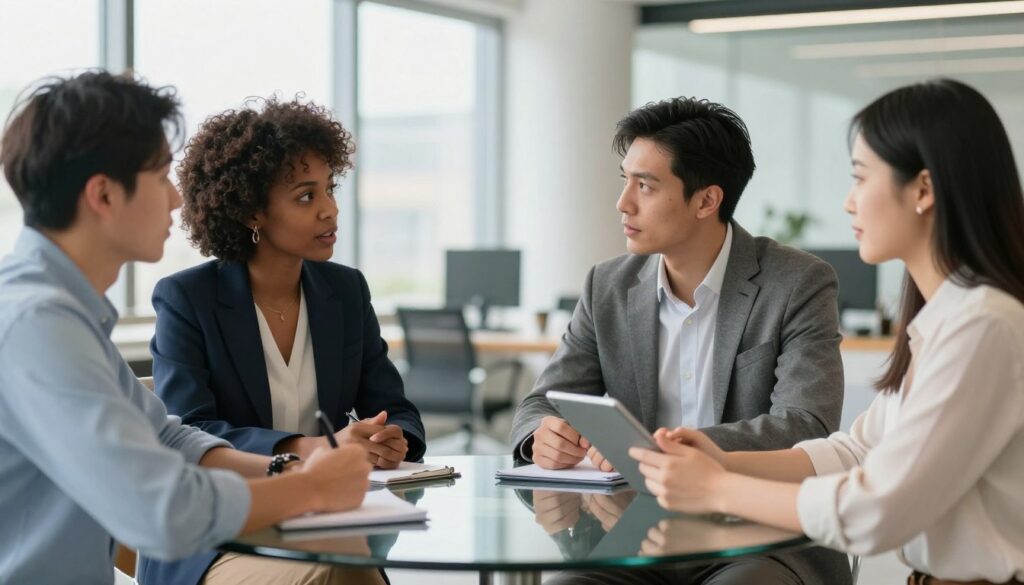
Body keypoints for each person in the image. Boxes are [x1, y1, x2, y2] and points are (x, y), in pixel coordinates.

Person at [630, 79, 1024, 585]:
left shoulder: (983, 327)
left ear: (923, 189)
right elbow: (855, 453)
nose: (848, 203)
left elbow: (874, 510)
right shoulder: (947, 320)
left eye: (861, 178)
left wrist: (716, 488)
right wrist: (724, 461)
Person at [0, 71, 376, 585]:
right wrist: (311, 490)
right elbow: (160, 510)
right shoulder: (35, 323)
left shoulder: (61, 311)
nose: (177, 200)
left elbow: (166, 435)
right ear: (104, 196)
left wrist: (287, 467)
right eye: (160, 177)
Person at [510, 97, 850, 583]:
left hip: (761, 534)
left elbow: (806, 425)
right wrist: (542, 435)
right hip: (635, 534)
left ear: (706, 200)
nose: (623, 202)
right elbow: (540, 403)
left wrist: (662, 451)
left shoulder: (796, 282)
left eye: (645, 185)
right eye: (625, 180)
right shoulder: (607, 286)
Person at [138, 97, 425, 585]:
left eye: (330, 190)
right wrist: (309, 449)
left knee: (346, 562)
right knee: (339, 570)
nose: (331, 210)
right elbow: (190, 429)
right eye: (306, 197)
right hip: (218, 537)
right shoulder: (188, 298)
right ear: (252, 212)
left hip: (328, 519)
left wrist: (389, 440)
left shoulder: (346, 291)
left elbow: (397, 410)